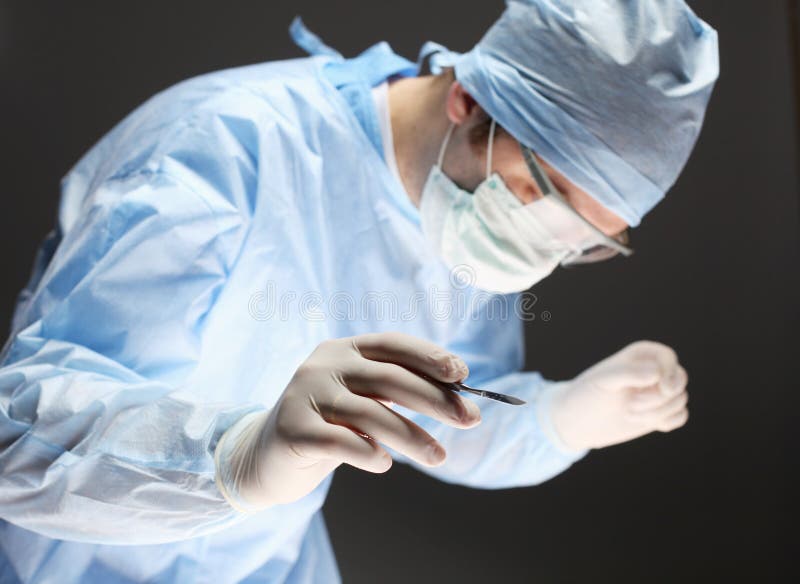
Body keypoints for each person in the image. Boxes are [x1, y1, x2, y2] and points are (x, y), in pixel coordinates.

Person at [0, 0, 719, 582]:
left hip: (266, 564)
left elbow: (441, 414)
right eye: (546, 194)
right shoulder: (222, 147)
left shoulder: (478, 217)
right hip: (67, 558)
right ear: (468, 101)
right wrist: (228, 456)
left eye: (586, 238)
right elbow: (17, 434)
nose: (545, 245)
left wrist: (557, 419)